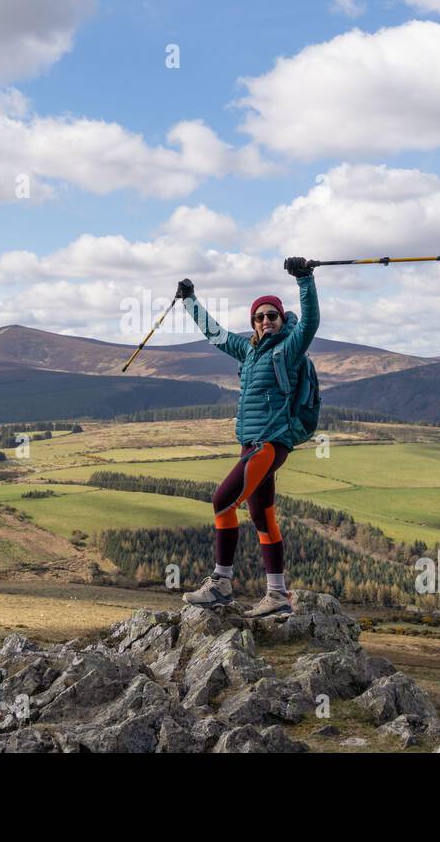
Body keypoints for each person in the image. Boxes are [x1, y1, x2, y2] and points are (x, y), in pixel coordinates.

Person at [175, 256, 318, 618]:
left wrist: (304, 279)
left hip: (270, 443)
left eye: (273, 315)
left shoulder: (289, 349)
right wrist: (190, 300)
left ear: (282, 320)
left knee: (222, 500)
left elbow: (311, 322)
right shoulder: (250, 351)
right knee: (262, 516)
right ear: (253, 323)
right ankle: (277, 595)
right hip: (251, 444)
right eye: (260, 317)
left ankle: (221, 584)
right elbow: (216, 334)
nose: (266, 321)